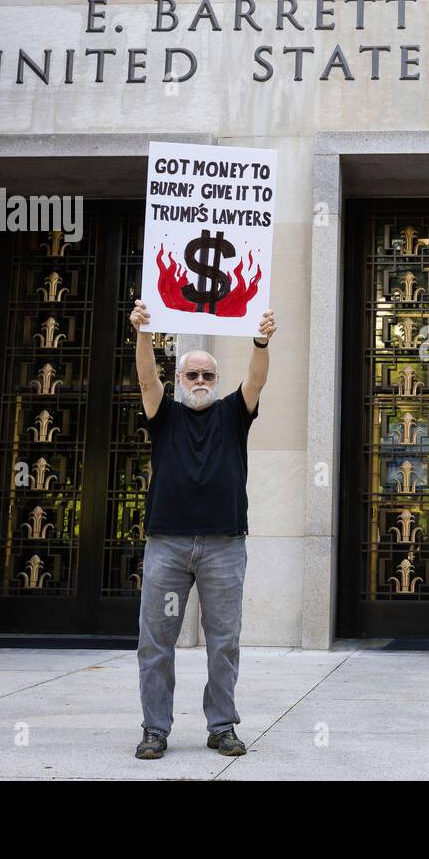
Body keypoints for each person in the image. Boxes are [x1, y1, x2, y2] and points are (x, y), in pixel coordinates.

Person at [127, 298, 276, 760]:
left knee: (224, 641)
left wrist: (260, 340)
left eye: (207, 375)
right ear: (180, 380)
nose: (199, 382)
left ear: (215, 380)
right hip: (167, 545)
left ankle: (222, 726)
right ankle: (155, 729)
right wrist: (144, 333)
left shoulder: (233, 413)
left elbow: (255, 378)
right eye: (192, 375)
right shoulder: (164, 413)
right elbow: (147, 377)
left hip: (223, 546)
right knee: (155, 642)